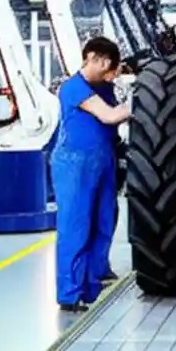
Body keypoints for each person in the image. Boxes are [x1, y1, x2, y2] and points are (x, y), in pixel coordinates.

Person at [51, 36, 132, 312]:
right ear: (95, 58)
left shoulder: (102, 87)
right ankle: (70, 294)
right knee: (76, 226)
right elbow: (109, 116)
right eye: (109, 65)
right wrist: (142, 101)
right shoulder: (74, 88)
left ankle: (94, 278)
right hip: (75, 163)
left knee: (104, 221)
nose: (112, 71)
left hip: (103, 159)